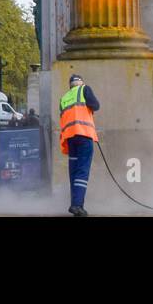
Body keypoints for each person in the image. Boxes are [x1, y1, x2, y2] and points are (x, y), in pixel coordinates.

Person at [60, 73, 100, 216]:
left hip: (71, 139)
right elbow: (95, 105)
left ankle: (76, 204)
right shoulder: (84, 89)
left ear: (70, 85)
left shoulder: (64, 98)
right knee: (82, 171)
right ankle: (77, 205)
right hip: (84, 136)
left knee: (74, 172)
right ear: (81, 82)